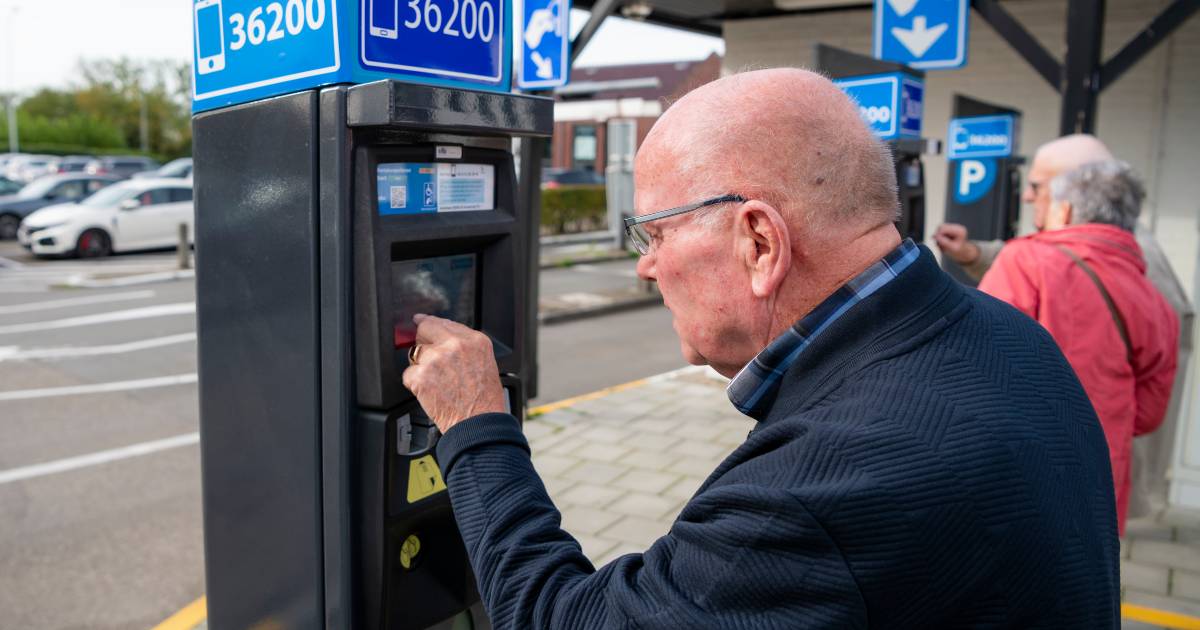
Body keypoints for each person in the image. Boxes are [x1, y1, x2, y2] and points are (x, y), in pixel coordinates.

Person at [401, 69, 1119, 628]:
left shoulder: (820, 487)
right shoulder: (1010, 337)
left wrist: (475, 425)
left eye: (655, 235)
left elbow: (564, 619)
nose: (645, 267)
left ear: (759, 241)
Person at [935, 135, 1194, 524]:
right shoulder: (1154, 295)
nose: (1028, 198)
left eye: (1037, 188)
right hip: (1104, 476)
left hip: (1017, 474)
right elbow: (1149, 415)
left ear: (1067, 204)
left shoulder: (1025, 262)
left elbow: (973, 372)